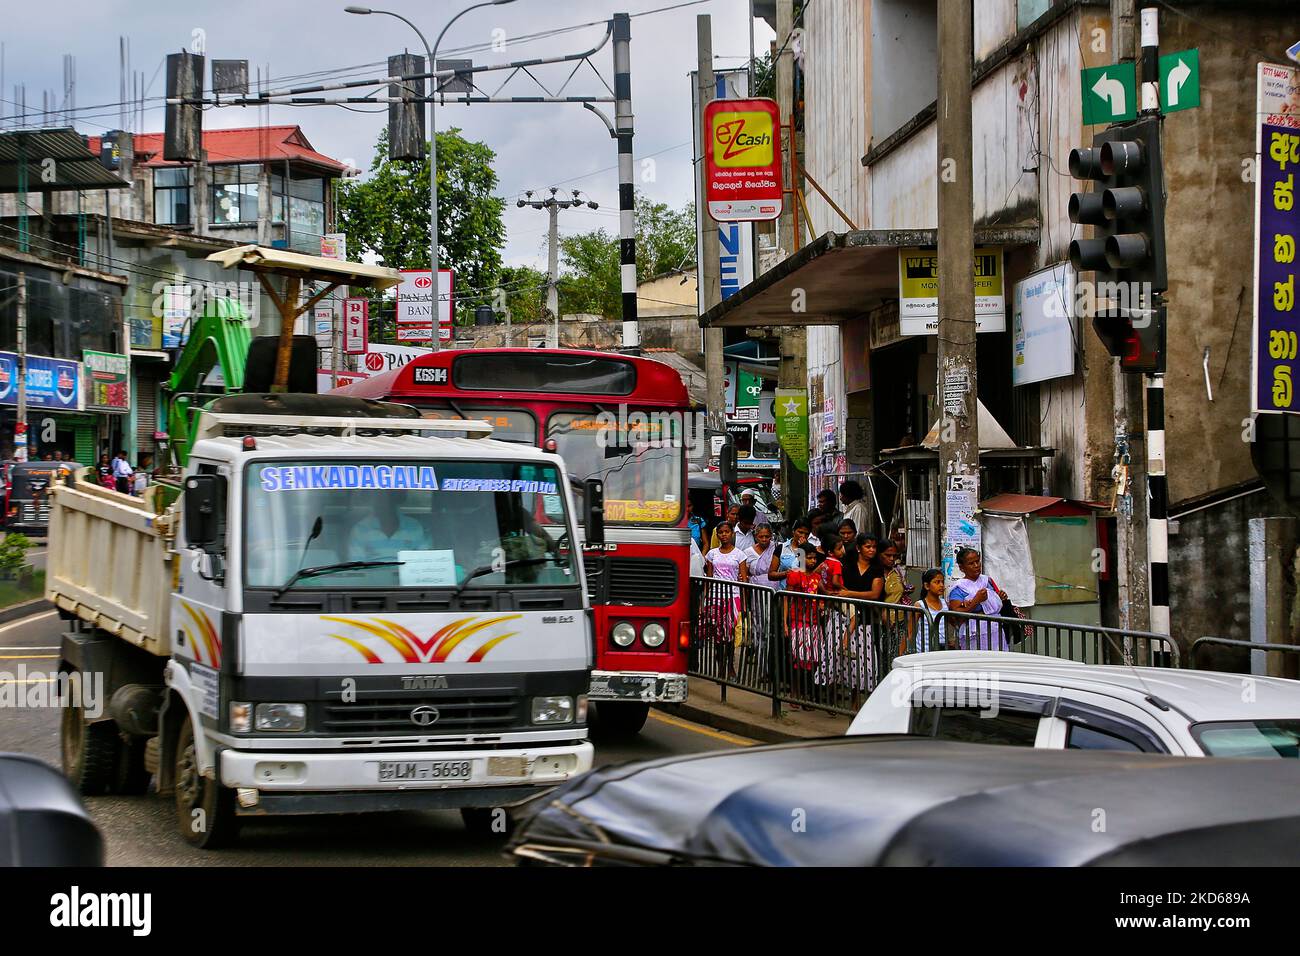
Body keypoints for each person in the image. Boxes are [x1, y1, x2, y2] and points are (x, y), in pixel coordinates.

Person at [947, 547, 1012, 650]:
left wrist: (1000, 598)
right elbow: (956, 617)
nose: (976, 566)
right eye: (971, 563)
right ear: (962, 567)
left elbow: (995, 604)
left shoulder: (987, 581)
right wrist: (976, 601)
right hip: (974, 635)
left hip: (995, 631)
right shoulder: (958, 588)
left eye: (977, 561)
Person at [347, 493, 427, 562]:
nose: (385, 501)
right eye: (379, 495)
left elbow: (423, 564)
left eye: (389, 496)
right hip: (371, 580)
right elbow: (357, 570)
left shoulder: (415, 527)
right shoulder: (360, 529)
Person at [906, 568, 947, 654]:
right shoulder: (920, 605)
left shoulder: (945, 603)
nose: (941, 585)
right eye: (937, 582)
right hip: (924, 651)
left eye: (942, 582)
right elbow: (909, 631)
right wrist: (900, 654)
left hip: (942, 651)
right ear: (927, 586)